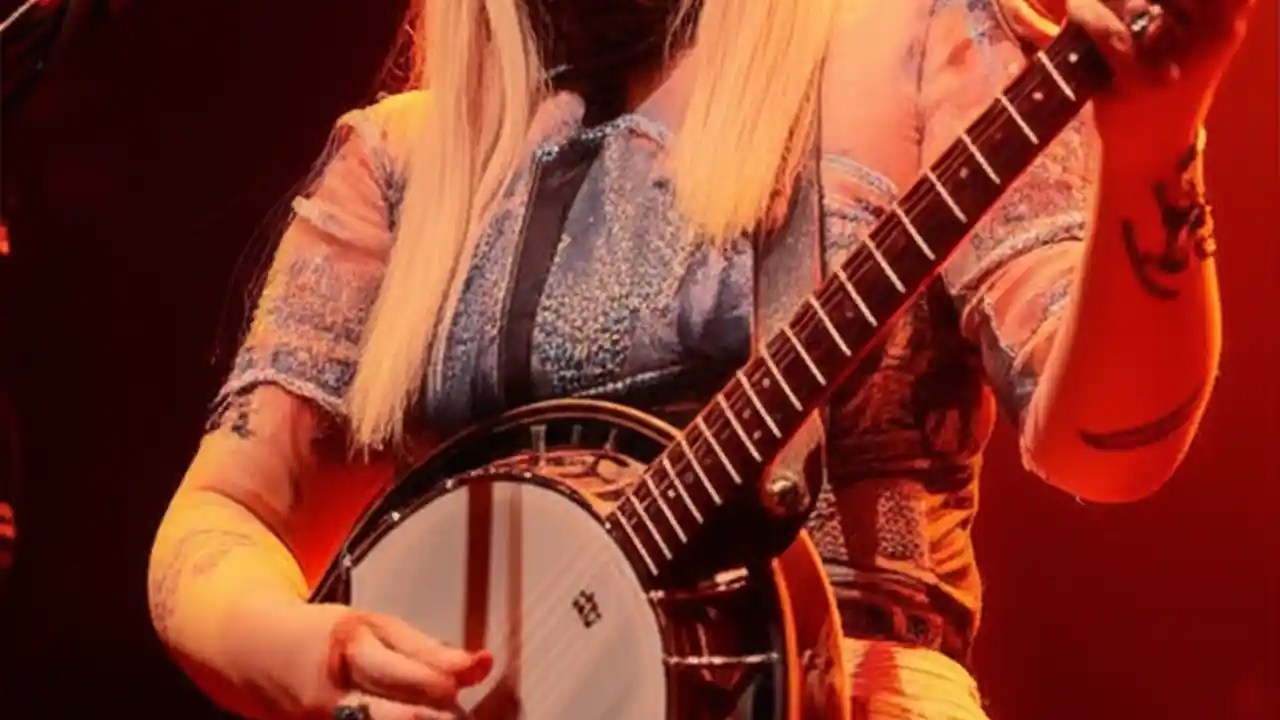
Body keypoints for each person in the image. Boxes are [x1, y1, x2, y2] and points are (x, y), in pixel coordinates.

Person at [147, 0, 1254, 718]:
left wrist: (1156, 144)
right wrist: (316, 654)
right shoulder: (400, 159)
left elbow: (1108, 450)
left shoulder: (918, 33)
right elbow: (222, 521)